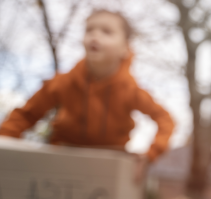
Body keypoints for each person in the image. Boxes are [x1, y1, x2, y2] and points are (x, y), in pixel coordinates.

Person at [1, 10, 175, 180]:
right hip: (62, 159)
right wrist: (4, 140)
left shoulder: (131, 91)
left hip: (109, 165)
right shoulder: (63, 83)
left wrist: (150, 154)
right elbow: (26, 115)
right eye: (89, 30)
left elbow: (166, 120)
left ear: (125, 48)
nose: (95, 36)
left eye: (107, 31)